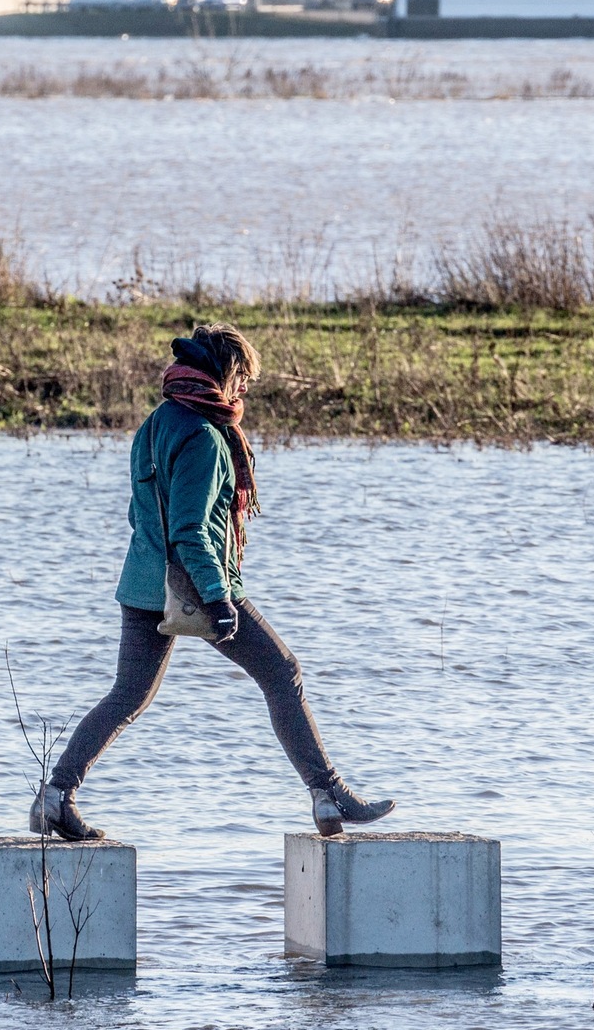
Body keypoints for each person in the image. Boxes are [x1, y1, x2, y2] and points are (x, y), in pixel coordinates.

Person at [30, 324, 395, 840]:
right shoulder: (204, 437)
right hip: (197, 583)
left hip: (142, 586)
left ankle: (55, 796)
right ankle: (328, 794)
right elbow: (190, 530)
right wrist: (219, 598)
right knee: (282, 673)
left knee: (128, 695)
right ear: (222, 373)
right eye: (242, 376)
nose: (245, 388)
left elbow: (143, 517)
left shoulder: (155, 423)